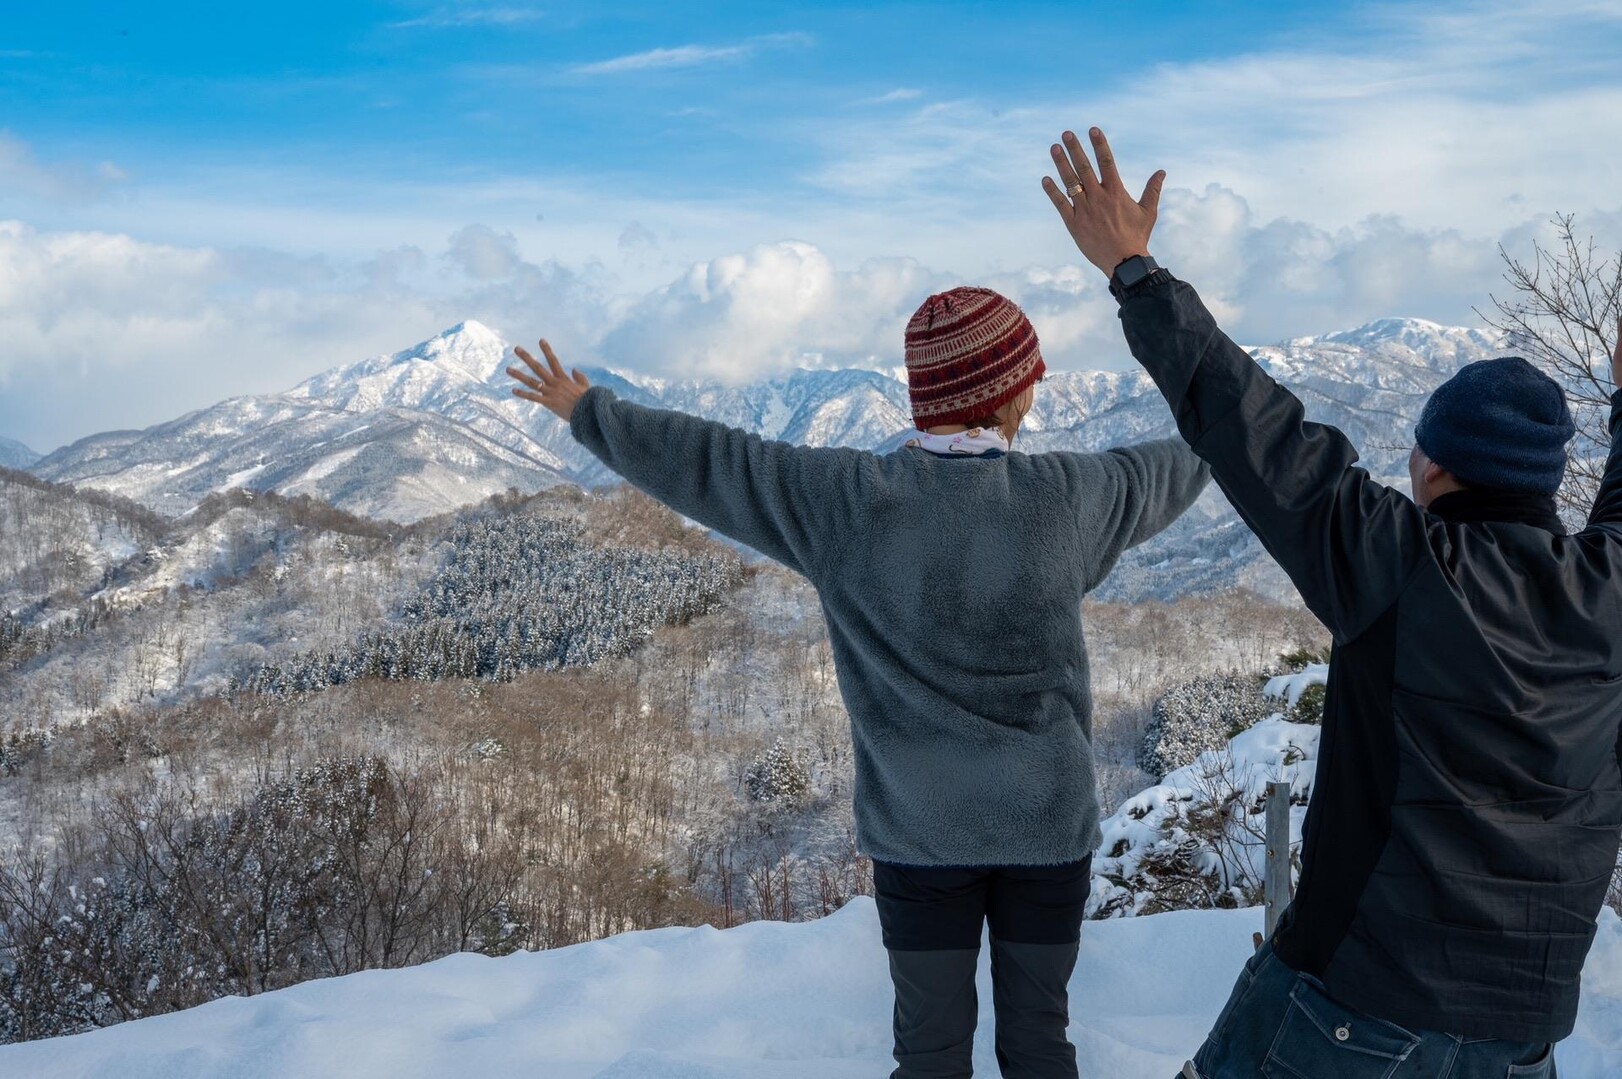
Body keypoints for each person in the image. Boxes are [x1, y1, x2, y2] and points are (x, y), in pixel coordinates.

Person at [505, 290, 1210, 1078]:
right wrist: (1230, 397)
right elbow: (1183, 458)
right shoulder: (1071, 500)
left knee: (931, 1053)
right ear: (1010, 391)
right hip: (1047, 830)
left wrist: (589, 412)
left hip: (921, 833)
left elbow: (710, 463)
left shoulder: (844, 502)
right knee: (1040, 1042)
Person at [1041, 125, 1622, 1079]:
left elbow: (1248, 424)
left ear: (1432, 465)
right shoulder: (1607, 591)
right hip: (1524, 1040)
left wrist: (1134, 269)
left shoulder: (1400, 565)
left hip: (1356, 1010)